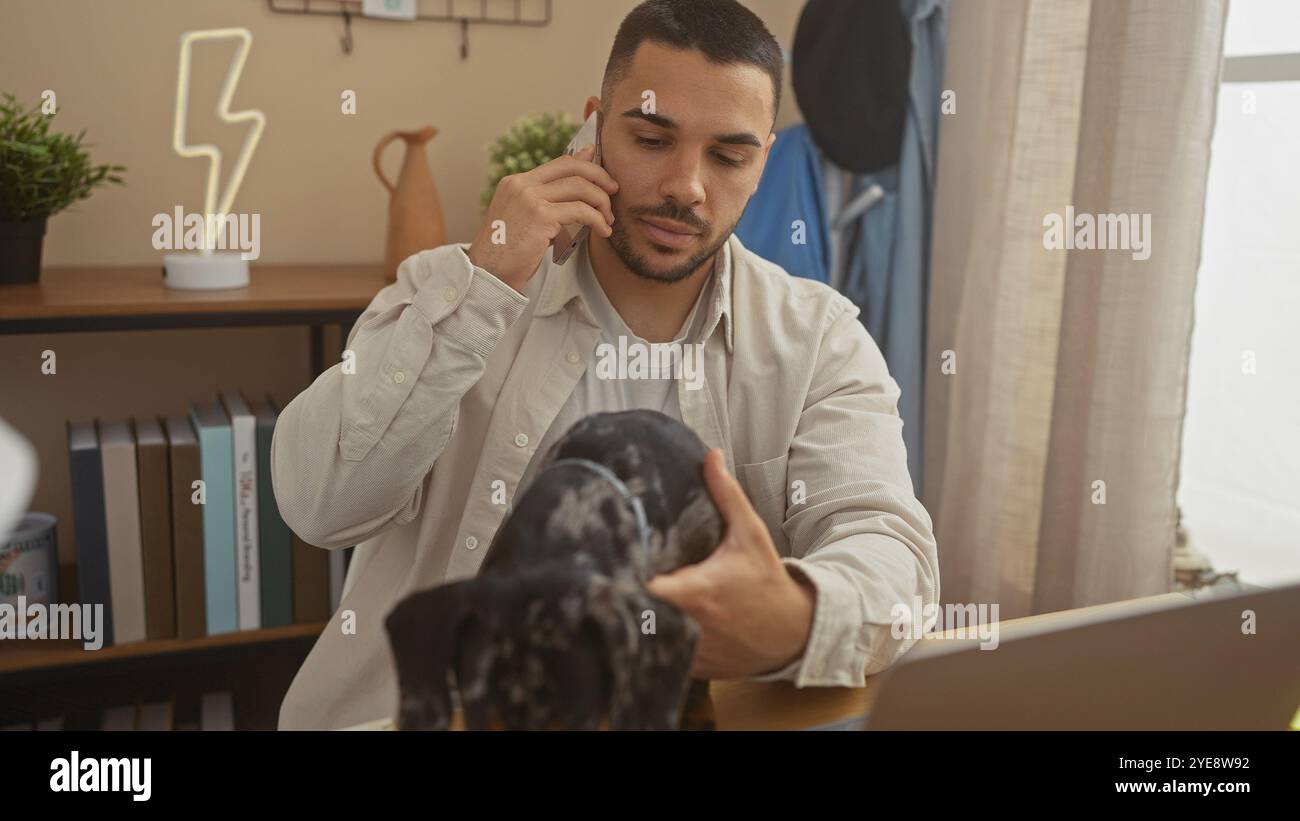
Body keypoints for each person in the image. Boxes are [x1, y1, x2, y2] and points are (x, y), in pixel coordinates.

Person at [273, 0, 938, 730]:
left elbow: (892, 560)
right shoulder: (446, 288)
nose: (686, 184)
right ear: (594, 124)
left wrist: (795, 616)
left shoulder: (819, 341)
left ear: (762, 163)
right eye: (652, 138)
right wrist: (483, 284)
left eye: (727, 155)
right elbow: (321, 506)